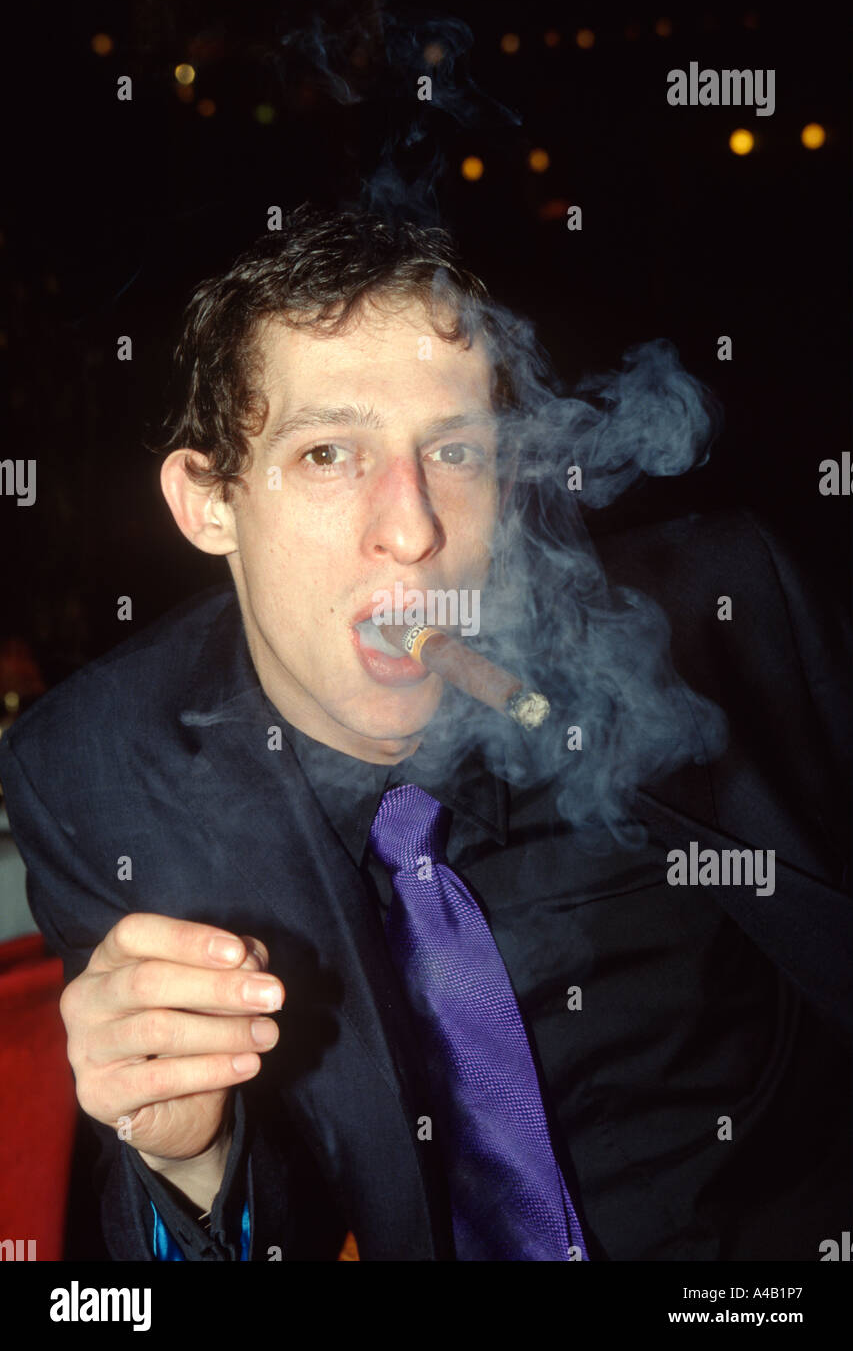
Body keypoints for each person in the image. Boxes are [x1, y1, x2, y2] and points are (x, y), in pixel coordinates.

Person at [0, 206, 849, 1262]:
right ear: (208, 502)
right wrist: (187, 1162)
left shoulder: (721, 611)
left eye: (453, 449)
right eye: (325, 454)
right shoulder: (98, 773)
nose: (411, 528)